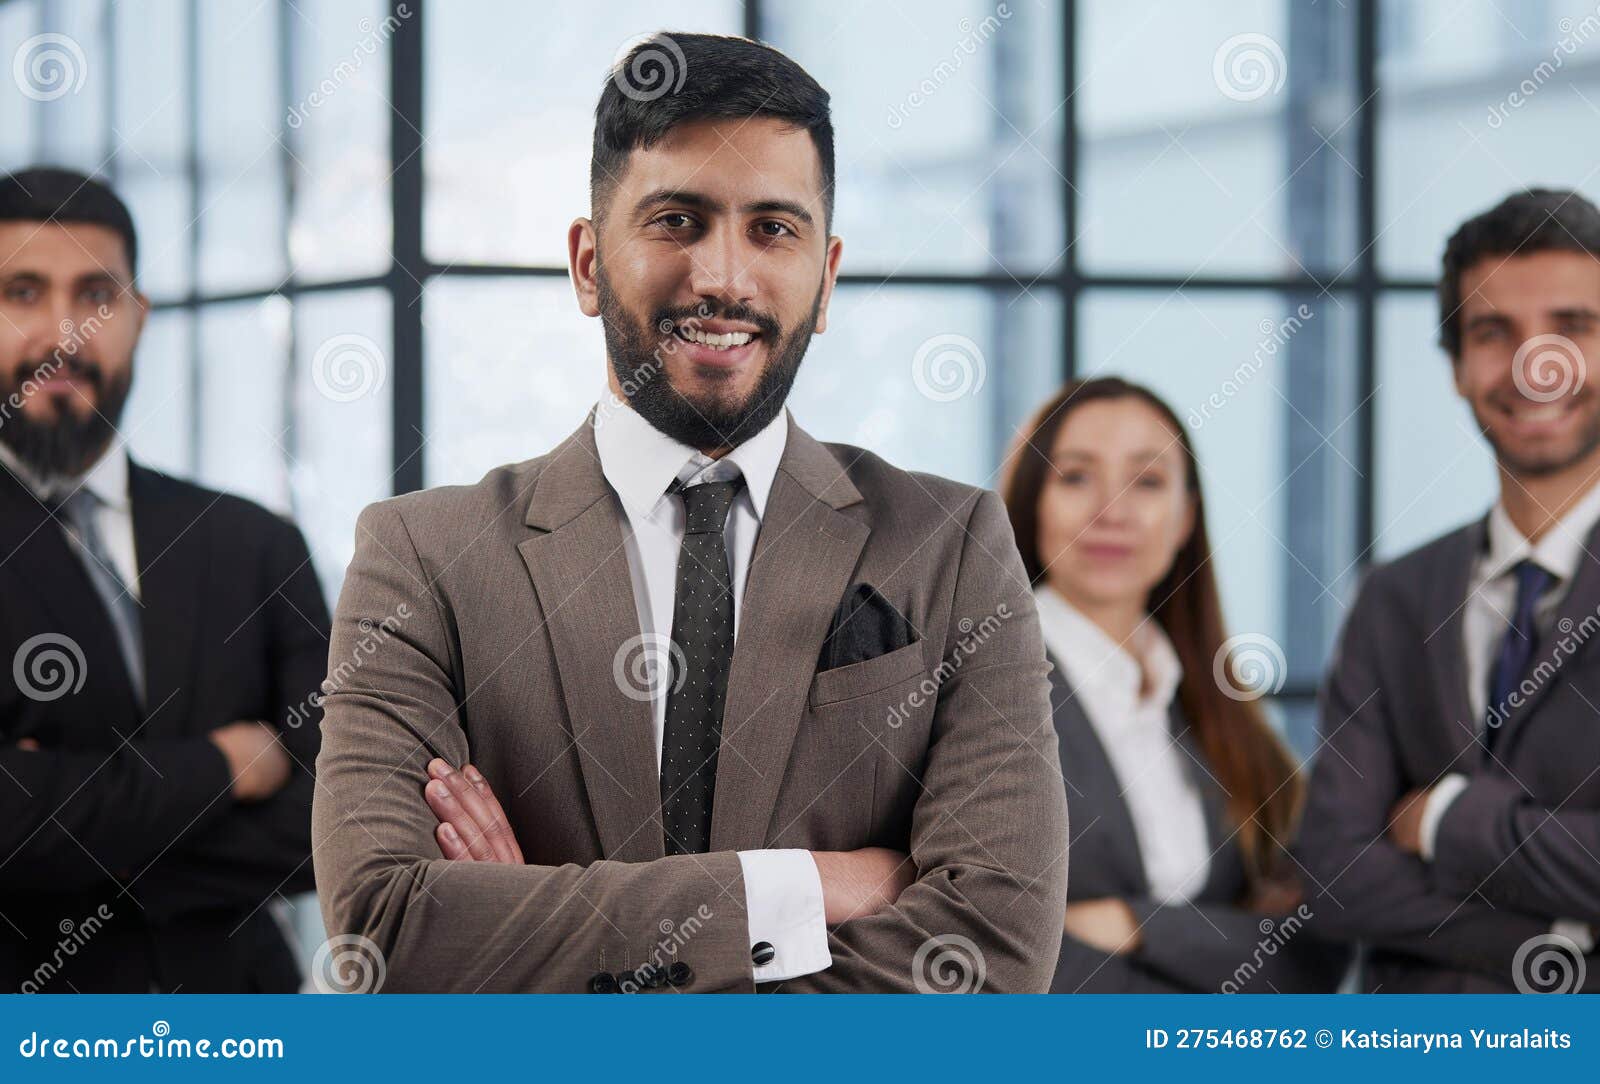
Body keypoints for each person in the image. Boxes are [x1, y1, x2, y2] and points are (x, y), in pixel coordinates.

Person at [310, 32, 1067, 994]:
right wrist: (799, 891)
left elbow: (990, 959)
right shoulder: (422, 557)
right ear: (588, 263)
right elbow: (389, 936)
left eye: (773, 230)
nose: (724, 278)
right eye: (676, 220)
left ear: (827, 276)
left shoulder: (950, 546)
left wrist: (538, 935)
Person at [0, 168, 328, 992]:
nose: (62, 334)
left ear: (138, 318)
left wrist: (68, 822)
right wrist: (225, 767)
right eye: (22, 292)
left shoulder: (254, 542)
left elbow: (336, 815)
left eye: (96, 294)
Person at [1299, 188, 1600, 992]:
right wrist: (1561, 936)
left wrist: (1440, 819)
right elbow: (1332, 875)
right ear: (1458, 367)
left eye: (1572, 327)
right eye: (1492, 332)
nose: (1538, 364)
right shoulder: (1396, 596)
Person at [1003, 376, 1345, 993]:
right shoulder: (981, 690)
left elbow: (1313, 954)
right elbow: (997, 956)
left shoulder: (1213, 710)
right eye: (1076, 476)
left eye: (1148, 481)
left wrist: (1135, 926)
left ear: (1185, 518)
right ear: (1033, 504)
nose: (1113, 511)